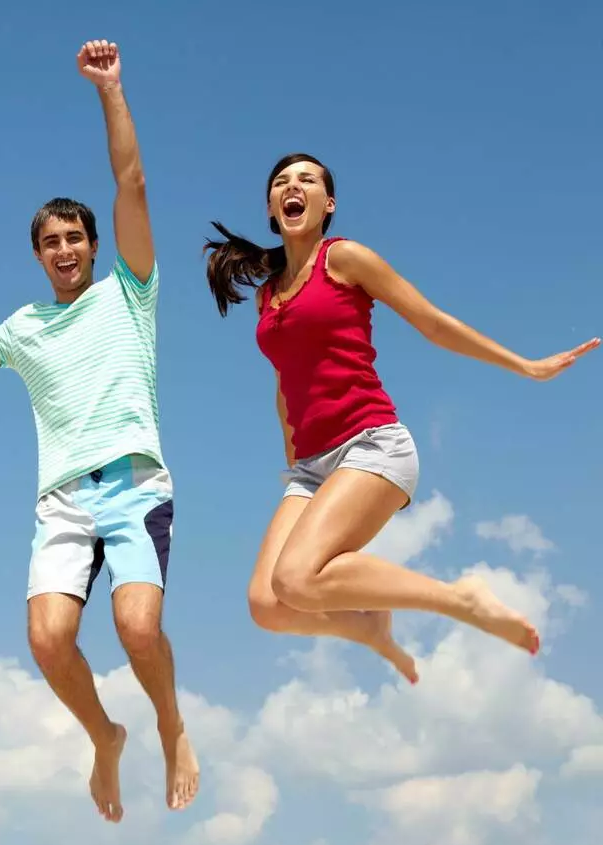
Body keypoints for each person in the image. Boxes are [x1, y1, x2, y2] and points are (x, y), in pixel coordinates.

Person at [0, 40, 196, 824]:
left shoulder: (130, 292)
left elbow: (131, 181)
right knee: (49, 640)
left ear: (95, 247)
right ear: (38, 255)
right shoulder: (26, 326)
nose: (64, 250)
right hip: (62, 500)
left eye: (74, 238)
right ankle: (105, 734)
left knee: (135, 626)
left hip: (132, 483)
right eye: (50, 242)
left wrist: (110, 90)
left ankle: (171, 720)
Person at [203, 152, 599, 683]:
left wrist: (524, 366)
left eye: (307, 181)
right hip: (311, 466)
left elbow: (431, 322)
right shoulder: (269, 297)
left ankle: (459, 598)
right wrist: (293, 454)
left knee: (296, 578)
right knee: (266, 604)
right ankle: (368, 630)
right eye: (281, 183)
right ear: (272, 209)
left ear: (328, 204)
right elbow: (285, 379)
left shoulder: (344, 259)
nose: (292, 187)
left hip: (372, 445)